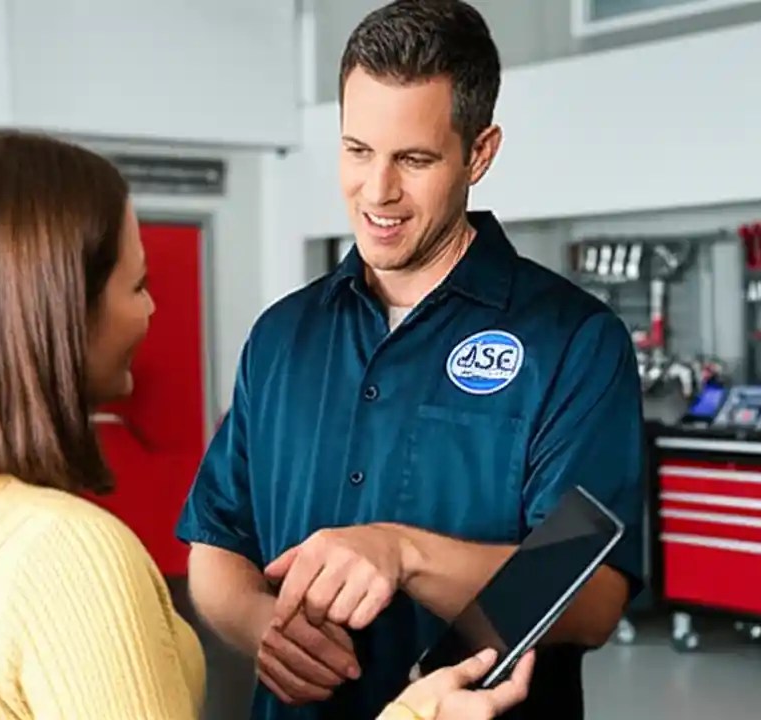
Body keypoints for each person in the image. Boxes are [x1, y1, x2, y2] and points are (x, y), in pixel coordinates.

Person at [0, 129, 533, 720]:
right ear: (59, 316)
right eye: (136, 285)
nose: (149, 312)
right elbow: (219, 530)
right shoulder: (68, 553)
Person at [175, 1, 646, 719]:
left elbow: (592, 602)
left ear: (479, 153)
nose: (377, 191)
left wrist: (404, 553)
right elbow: (216, 543)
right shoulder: (283, 336)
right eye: (357, 150)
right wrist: (260, 625)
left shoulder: (574, 342)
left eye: (414, 159)